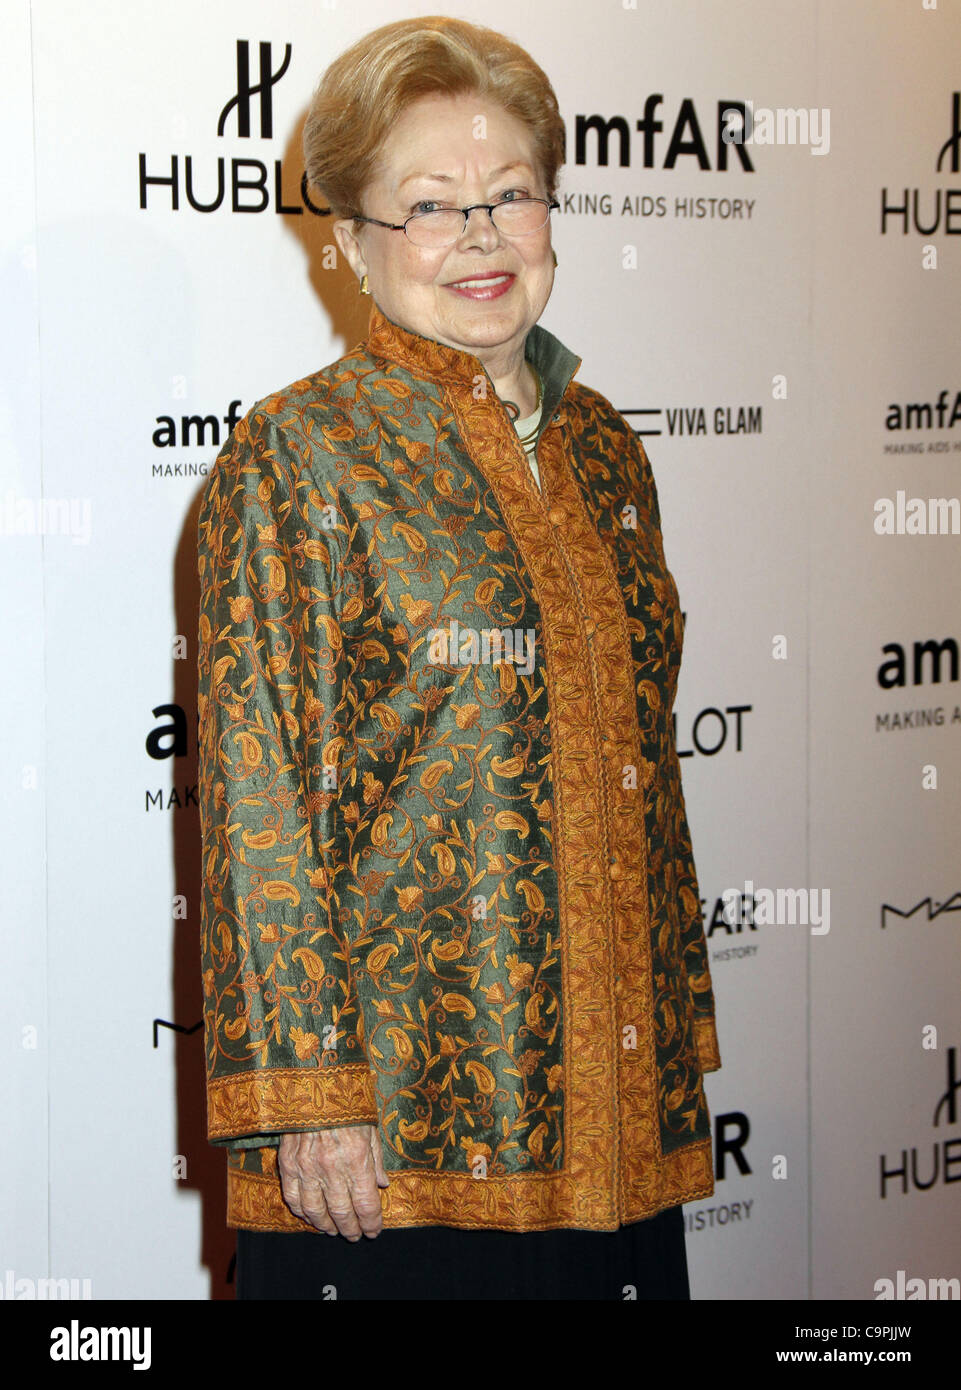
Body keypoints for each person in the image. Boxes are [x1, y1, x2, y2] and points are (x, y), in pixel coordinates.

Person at [196, 15, 721, 1301]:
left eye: (509, 196)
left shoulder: (606, 450)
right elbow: (262, 798)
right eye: (428, 206)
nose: (480, 237)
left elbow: (644, 766)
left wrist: (674, 1035)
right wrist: (312, 1099)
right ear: (352, 244)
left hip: (611, 1114)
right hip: (393, 1159)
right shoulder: (299, 457)